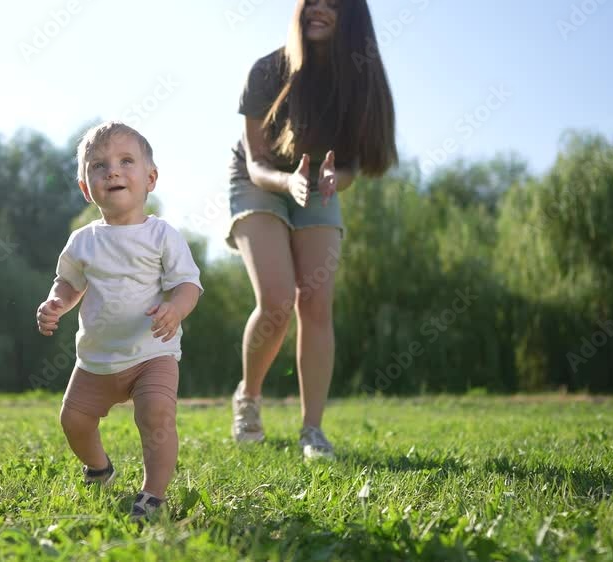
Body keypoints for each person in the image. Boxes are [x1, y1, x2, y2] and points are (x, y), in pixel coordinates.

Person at [226, 0, 397, 459]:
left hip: (319, 184)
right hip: (258, 182)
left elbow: (354, 165)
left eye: (333, 3)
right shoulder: (267, 70)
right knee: (277, 300)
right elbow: (257, 163)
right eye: (312, 1)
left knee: (316, 301)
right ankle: (249, 399)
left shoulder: (358, 79)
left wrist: (332, 179)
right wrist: (289, 183)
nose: (319, 9)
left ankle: (313, 430)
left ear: (351, 17)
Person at [36, 122, 203, 520]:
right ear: (85, 187)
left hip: (152, 353)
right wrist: (56, 302)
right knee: (74, 421)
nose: (112, 171)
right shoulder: (83, 241)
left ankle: (153, 494)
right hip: (97, 359)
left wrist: (176, 309)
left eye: (126, 161)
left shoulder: (162, 235)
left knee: (156, 415)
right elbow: (68, 282)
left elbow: (188, 285)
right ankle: (99, 468)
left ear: (151, 178)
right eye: (99, 165)